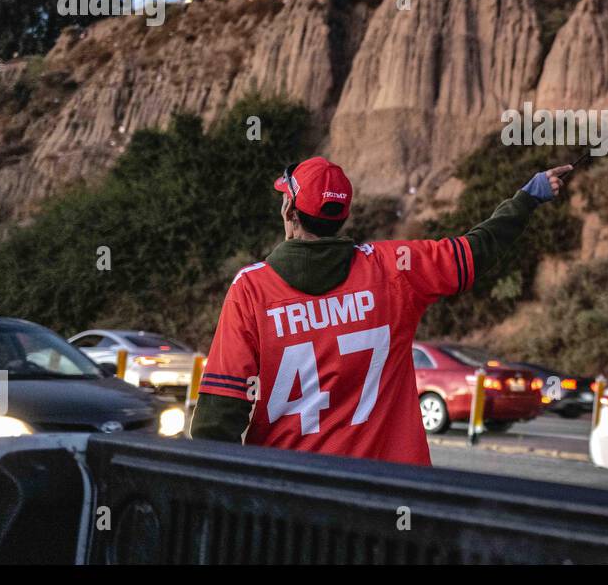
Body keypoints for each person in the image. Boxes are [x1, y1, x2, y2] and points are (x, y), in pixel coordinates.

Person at [188, 156, 572, 465]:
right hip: (387, 495)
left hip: (290, 498)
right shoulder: (395, 267)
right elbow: (475, 250)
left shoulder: (252, 289)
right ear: (342, 217)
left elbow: (218, 415)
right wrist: (527, 198)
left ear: (289, 208)